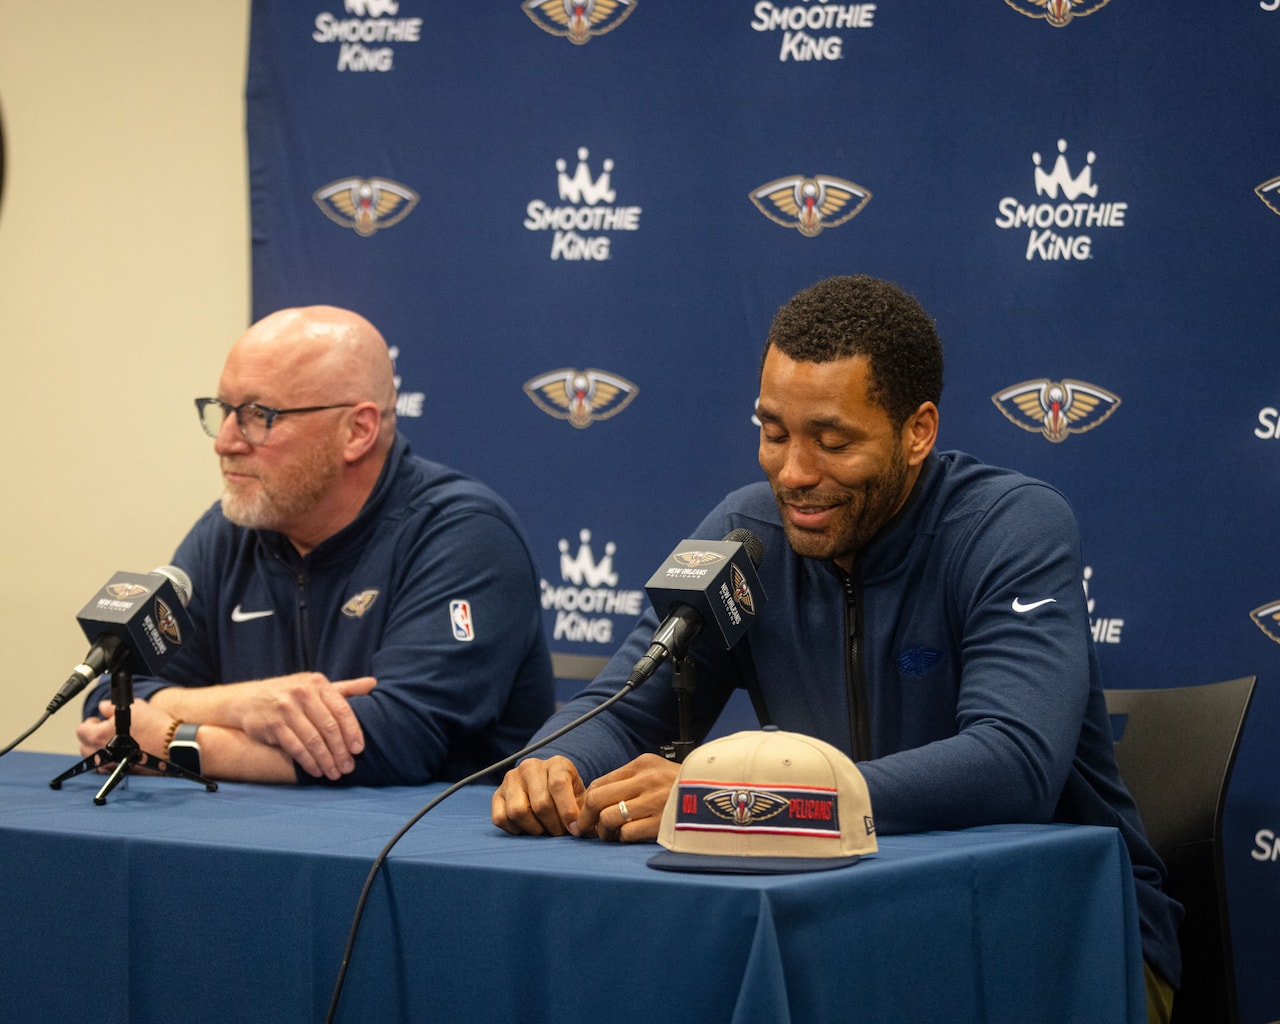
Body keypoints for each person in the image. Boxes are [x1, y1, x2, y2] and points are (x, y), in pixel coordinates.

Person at [491, 275, 1181, 1022]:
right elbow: (625, 709)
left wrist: (746, 805)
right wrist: (554, 766)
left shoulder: (1014, 528)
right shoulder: (743, 534)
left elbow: (1014, 761)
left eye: (833, 440)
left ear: (917, 431)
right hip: (839, 936)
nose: (794, 474)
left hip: (1056, 945)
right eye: (774, 432)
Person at [78, 305, 554, 786]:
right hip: (247, 840)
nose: (225, 442)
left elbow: (396, 740)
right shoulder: (231, 531)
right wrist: (245, 704)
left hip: (421, 850)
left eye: (258, 415)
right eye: (223, 410)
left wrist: (175, 741)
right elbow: (111, 694)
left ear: (358, 431)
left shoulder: (462, 533)